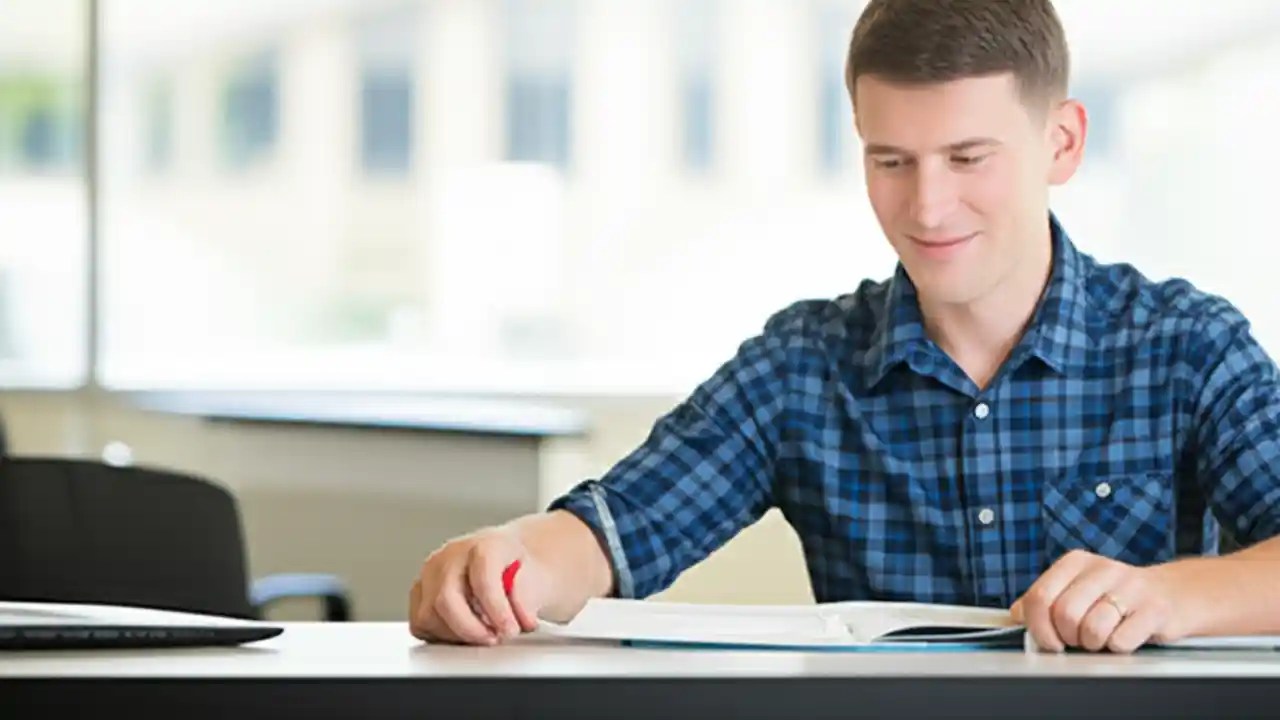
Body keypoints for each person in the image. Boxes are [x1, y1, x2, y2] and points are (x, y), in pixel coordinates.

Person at [408, 0, 1280, 654]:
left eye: (968, 158)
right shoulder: (803, 366)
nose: (927, 206)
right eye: (891, 161)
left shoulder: (1187, 346)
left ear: (1062, 142)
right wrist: (503, 561)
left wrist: (1171, 597)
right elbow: (615, 531)